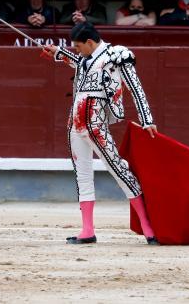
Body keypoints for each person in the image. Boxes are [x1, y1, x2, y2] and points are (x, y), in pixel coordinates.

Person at [43, 23, 159, 246]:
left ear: (89, 42)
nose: (77, 50)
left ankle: (148, 226)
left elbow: (135, 87)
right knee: (82, 175)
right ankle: (87, 230)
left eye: (78, 46)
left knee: (119, 169)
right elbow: (82, 65)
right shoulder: (86, 58)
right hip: (75, 123)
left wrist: (147, 120)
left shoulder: (116, 56)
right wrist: (59, 53)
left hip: (95, 123)